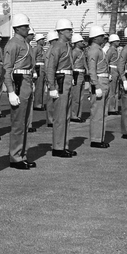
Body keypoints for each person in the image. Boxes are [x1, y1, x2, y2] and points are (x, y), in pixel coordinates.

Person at [3, 13, 36, 169]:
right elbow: (7, 68)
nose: (27, 28)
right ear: (16, 28)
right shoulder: (13, 44)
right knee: (18, 123)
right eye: (24, 26)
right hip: (18, 82)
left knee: (25, 122)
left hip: (27, 82)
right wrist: (10, 91)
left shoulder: (25, 43)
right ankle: (15, 157)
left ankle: (22, 154)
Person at [45, 18, 76, 158]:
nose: (71, 32)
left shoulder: (68, 46)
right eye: (69, 30)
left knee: (66, 115)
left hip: (68, 79)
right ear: (61, 32)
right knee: (60, 115)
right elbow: (50, 67)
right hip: (61, 80)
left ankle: (64, 144)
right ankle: (58, 147)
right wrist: (51, 86)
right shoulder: (57, 46)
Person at [86, 25, 110, 148]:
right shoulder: (94, 50)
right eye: (101, 36)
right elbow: (92, 70)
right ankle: (96, 139)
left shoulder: (99, 49)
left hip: (104, 80)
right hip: (99, 81)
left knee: (103, 112)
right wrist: (96, 86)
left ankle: (99, 137)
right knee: (97, 112)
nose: (103, 38)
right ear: (95, 38)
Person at [69, 33, 89, 123]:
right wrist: (72, 76)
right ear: (76, 43)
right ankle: (73, 115)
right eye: (81, 41)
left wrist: (87, 71)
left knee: (81, 96)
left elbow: (84, 62)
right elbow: (71, 64)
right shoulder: (75, 52)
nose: (82, 43)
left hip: (82, 74)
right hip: (76, 73)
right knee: (76, 96)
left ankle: (78, 114)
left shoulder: (82, 52)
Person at [43, 29, 58, 128]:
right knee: (50, 100)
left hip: (55, 76)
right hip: (52, 77)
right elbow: (48, 66)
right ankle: (50, 119)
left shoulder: (53, 49)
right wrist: (49, 79)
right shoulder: (50, 51)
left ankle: (53, 118)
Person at [105, 33, 122, 115]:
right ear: (112, 42)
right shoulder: (110, 50)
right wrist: (108, 73)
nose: (119, 42)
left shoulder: (116, 50)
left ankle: (114, 107)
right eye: (117, 41)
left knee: (116, 91)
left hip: (117, 70)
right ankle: (111, 108)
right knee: (112, 90)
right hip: (112, 70)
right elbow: (106, 62)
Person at [32, 32, 48, 111]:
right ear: (38, 40)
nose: (44, 41)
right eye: (42, 39)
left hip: (43, 67)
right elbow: (33, 59)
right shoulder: (36, 49)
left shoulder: (42, 49)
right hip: (38, 67)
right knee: (39, 86)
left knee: (42, 86)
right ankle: (37, 104)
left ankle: (40, 103)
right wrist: (34, 71)